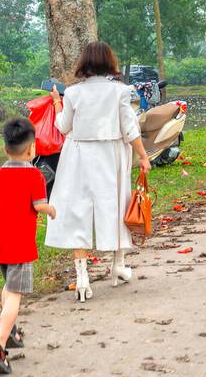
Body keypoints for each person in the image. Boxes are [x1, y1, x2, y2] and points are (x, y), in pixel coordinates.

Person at [45, 40, 151, 299]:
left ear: (84, 63)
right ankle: (118, 266)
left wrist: (57, 103)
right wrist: (143, 156)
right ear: (109, 62)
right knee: (115, 207)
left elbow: (62, 126)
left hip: (78, 156)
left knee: (77, 212)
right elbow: (129, 128)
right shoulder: (120, 92)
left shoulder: (73, 93)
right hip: (110, 155)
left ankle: (82, 279)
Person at [0, 116, 56, 375]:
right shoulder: (34, 175)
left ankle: (9, 331)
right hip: (21, 244)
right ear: (32, 148)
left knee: (8, 285)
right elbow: (38, 206)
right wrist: (51, 210)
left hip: (0, 241)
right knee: (15, 293)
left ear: (4, 148)